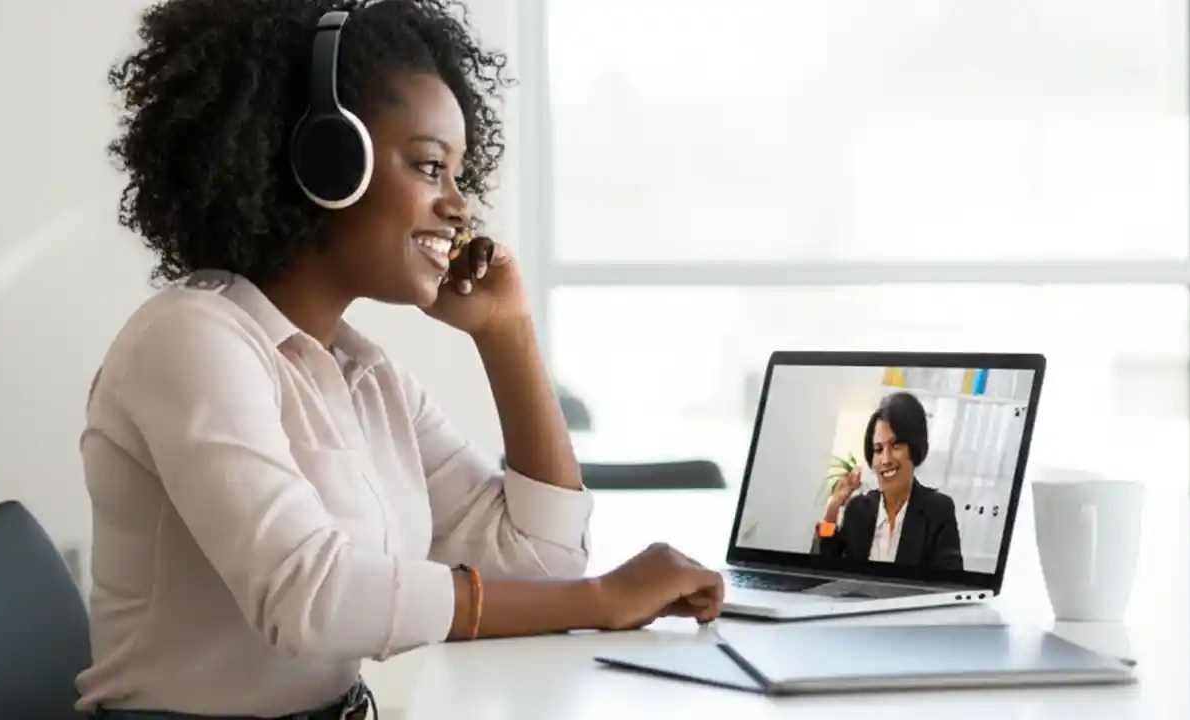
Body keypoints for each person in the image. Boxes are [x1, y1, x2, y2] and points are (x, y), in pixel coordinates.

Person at [78, 1, 723, 717]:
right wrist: (600, 601)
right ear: (326, 161)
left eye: (458, 175)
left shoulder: (362, 374)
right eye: (429, 166)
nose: (459, 208)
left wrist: (506, 334)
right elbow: (310, 598)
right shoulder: (188, 340)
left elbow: (542, 559)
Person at [814, 392, 963, 571]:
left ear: (915, 448)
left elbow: (949, 580)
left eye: (896, 445)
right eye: (878, 449)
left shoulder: (938, 510)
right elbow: (820, 569)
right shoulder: (858, 510)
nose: (885, 460)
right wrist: (832, 507)